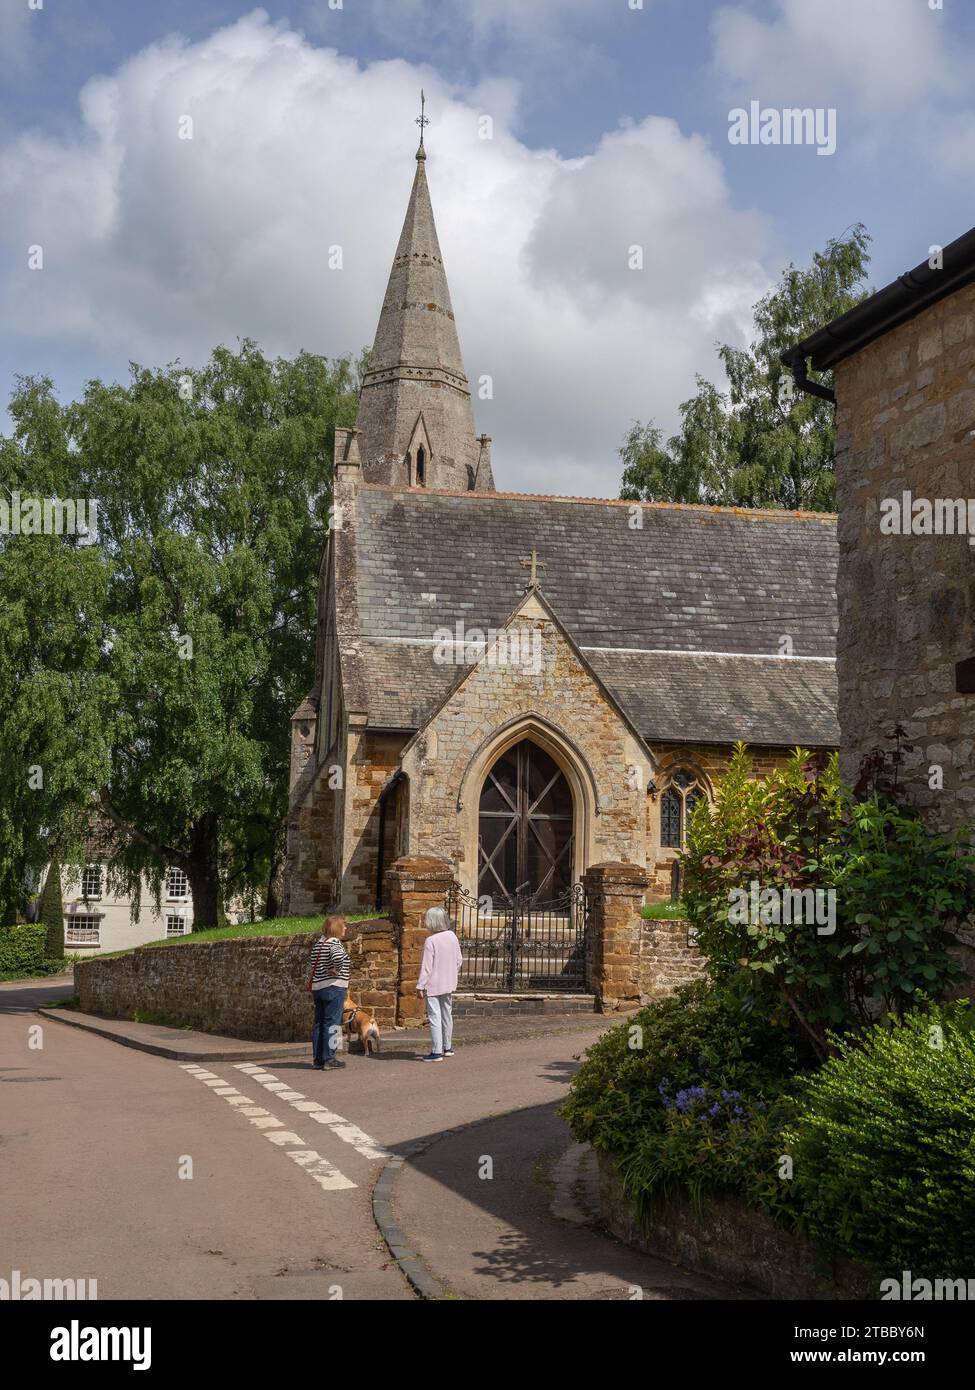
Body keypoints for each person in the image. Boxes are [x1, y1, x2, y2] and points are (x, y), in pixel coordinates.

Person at [415, 906, 463, 1062]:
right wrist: (450, 973)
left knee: (435, 1017)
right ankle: (447, 1047)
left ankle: (436, 1051)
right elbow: (459, 960)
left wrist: (420, 986)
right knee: (447, 1015)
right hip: (448, 982)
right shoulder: (452, 936)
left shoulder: (431, 940)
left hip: (433, 985)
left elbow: (427, 967)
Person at [306, 915, 350, 1070]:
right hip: (334, 987)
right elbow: (339, 957)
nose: (345, 928)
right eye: (343, 926)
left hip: (319, 988)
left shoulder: (319, 943)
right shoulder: (335, 943)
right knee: (333, 1023)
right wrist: (337, 969)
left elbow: (313, 963)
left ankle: (318, 1059)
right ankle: (330, 1058)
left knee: (319, 1023)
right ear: (337, 928)